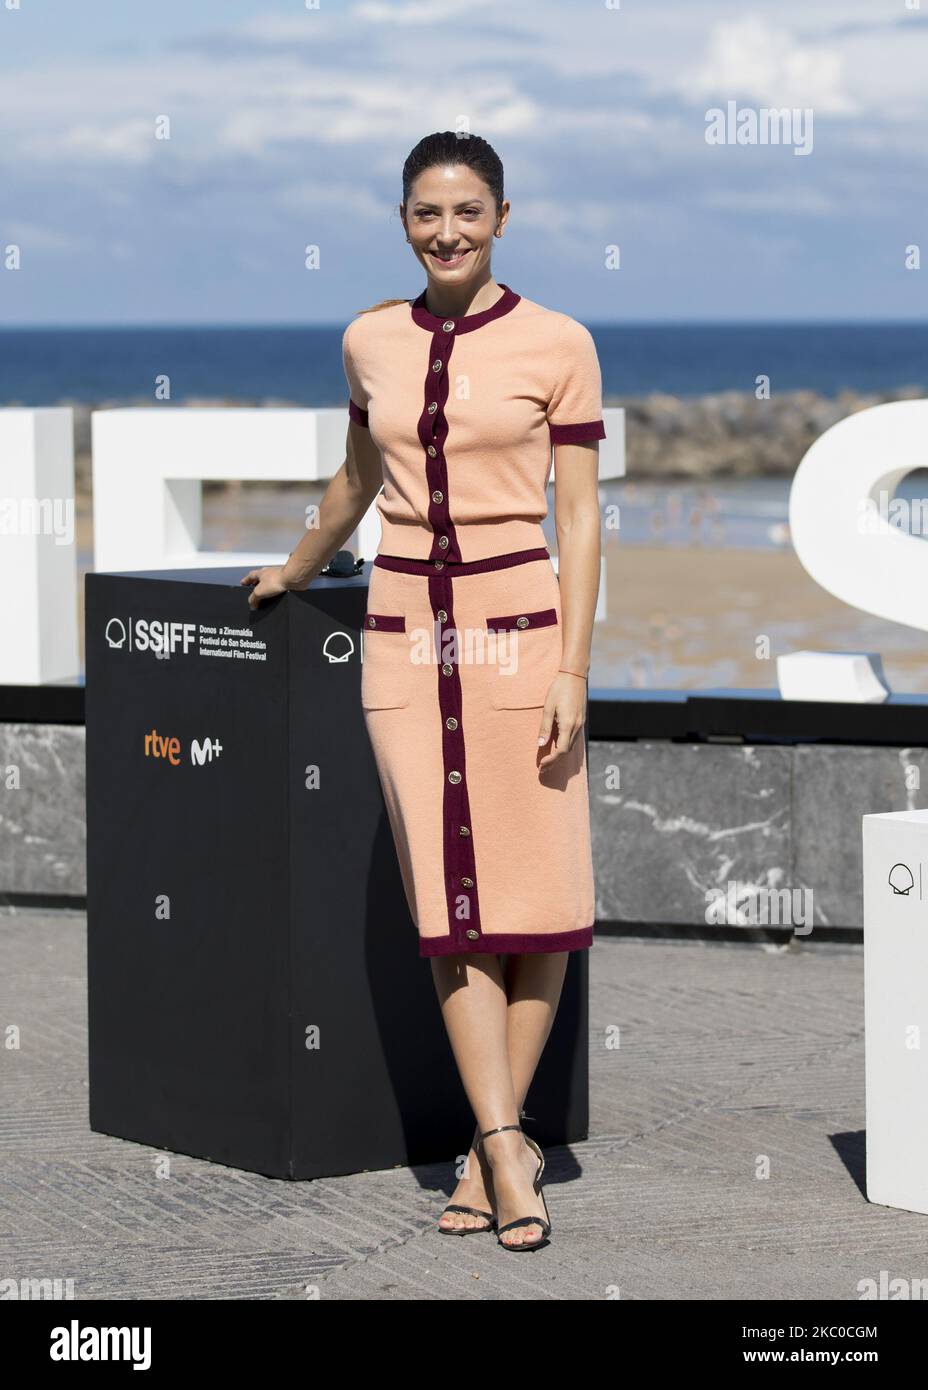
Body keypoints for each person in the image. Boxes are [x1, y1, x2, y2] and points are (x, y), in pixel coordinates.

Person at [242, 131, 603, 1252]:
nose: (446, 231)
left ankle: (488, 1147)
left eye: (467, 211)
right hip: (403, 637)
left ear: (502, 215)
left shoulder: (559, 343)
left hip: (519, 633)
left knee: (536, 902)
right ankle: (506, 1146)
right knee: (450, 914)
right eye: (424, 213)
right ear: (402, 219)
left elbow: (580, 515)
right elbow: (357, 478)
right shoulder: (367, 338)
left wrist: (574, 668)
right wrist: (297, 567)